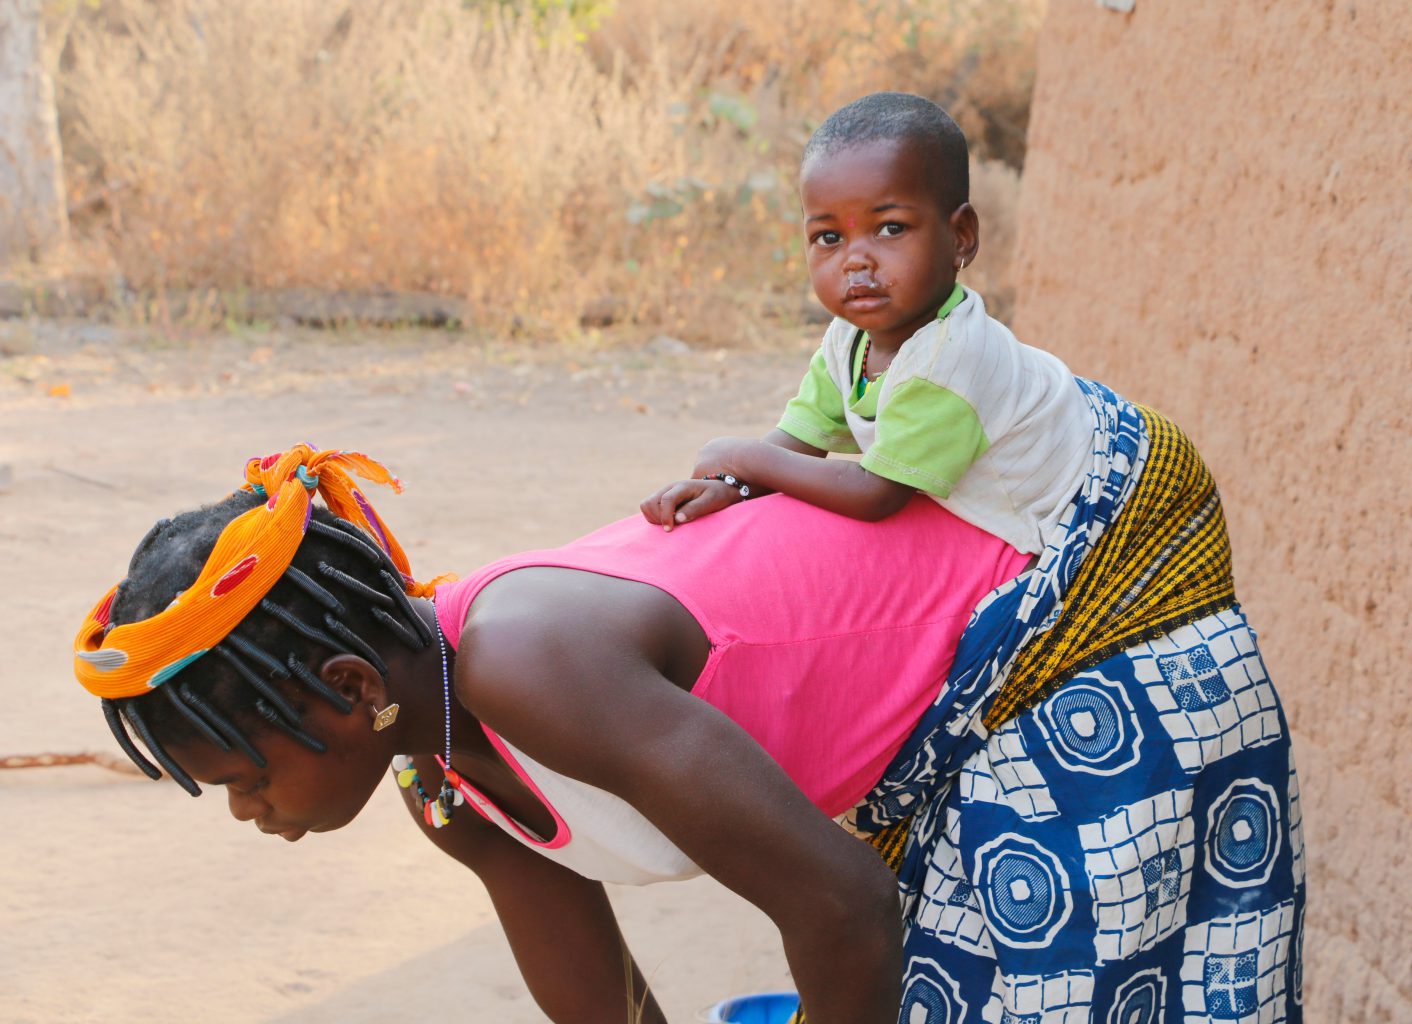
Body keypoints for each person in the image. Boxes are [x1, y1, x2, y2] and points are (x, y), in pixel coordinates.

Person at [74, 421, 1306, 1022]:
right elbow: (603, 1003)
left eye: (243, 774)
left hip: (1082, 640)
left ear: (347, 688)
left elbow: (839, 904)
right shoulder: (441, 769)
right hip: (961, 732)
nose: (249, 812)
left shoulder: (526, 663)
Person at [641, 92, 1095, 559]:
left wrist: (744, 457)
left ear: (961, 236)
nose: (856, 259)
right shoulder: (849, 339)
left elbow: (875, 492)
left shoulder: (950, 355)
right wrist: (733, 486)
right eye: (829, 237)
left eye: (891, 228)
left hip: (1088, 499)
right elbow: (800, 441)